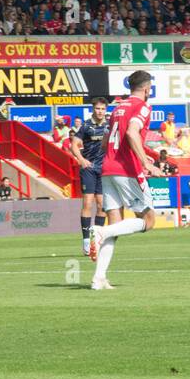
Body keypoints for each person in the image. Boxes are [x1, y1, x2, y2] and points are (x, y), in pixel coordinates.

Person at [88, 70, 166, 291]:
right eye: (150, 87)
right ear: (146, 88)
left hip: (108, 167)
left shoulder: (117, 108)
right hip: (126, 169)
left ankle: (98, 279)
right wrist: (146, 163)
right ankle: (99, 232)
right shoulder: (142, 106)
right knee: (149, 220)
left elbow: (105, 142)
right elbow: (132, 133)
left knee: (116, 225)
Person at [69, 97, 111, 256]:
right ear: (93, 109)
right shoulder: (86, 126)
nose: (100, 111)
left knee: (102, 206)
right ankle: (86, 240)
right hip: (89, 169)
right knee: (87, 202)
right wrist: (81, 159)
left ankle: (97, 239)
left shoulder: (109, 125)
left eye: (103, 109)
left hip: (104, 169)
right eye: (97, 109)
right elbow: (73, 144)